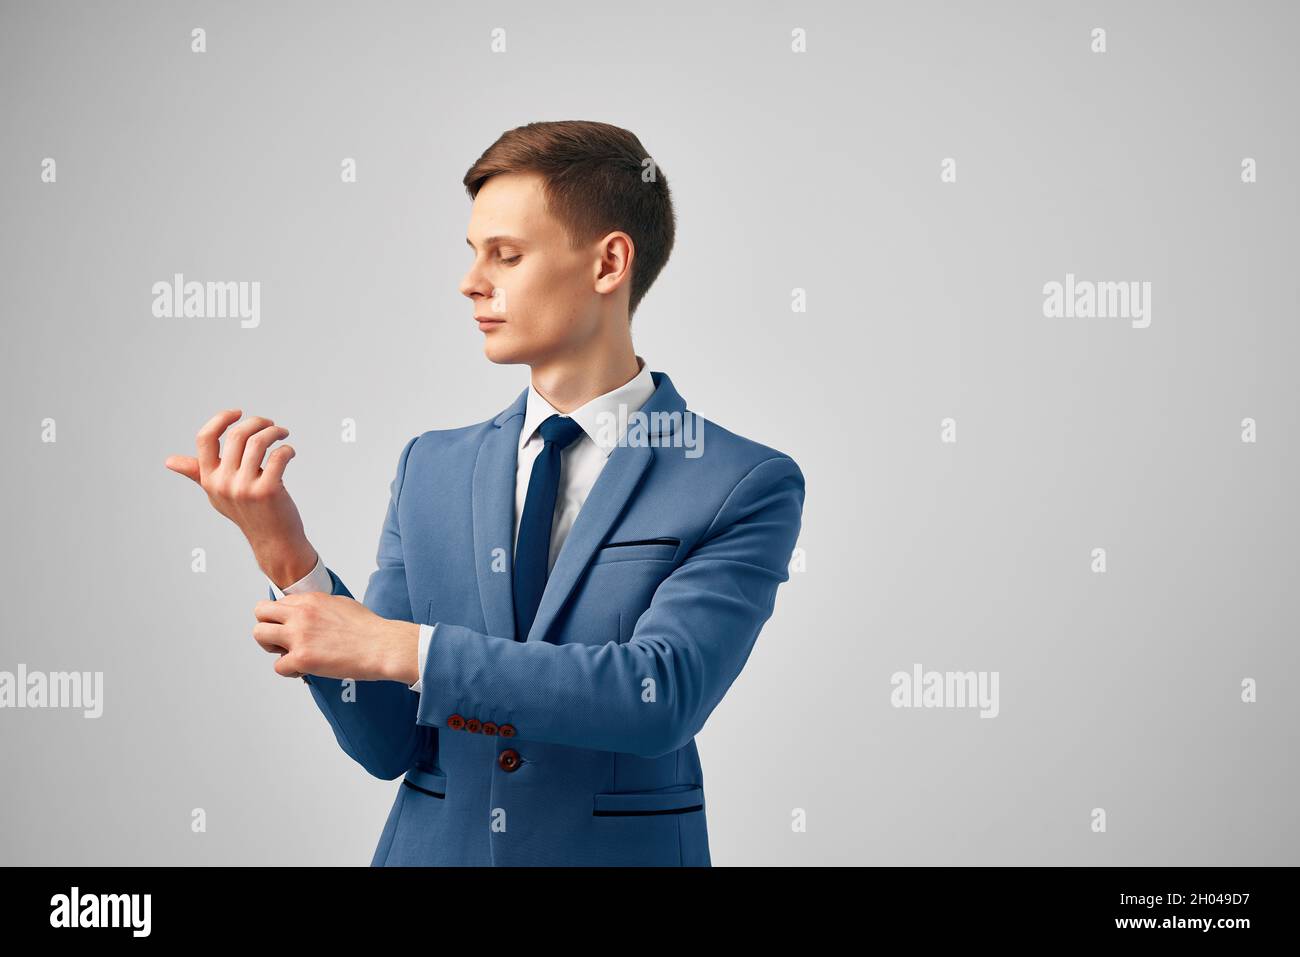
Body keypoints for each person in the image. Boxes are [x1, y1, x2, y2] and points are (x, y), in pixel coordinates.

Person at [165, 120, 805, 866]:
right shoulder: (429, 468)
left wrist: (404, 647)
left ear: (609, 263)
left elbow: (657, 694)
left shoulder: (740, 480)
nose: (471, 281)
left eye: (506, 254)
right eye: (473, 254)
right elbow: (388, 741)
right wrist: (284, 551)